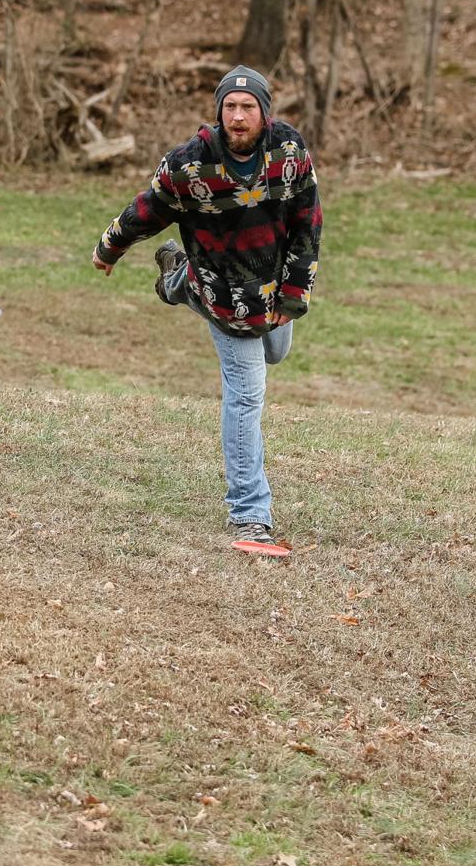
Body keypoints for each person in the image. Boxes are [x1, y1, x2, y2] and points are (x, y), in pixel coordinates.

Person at [91, 64, 322, 548]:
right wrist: (109, 247)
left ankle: (179, 279)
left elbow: (307, 218)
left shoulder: (290, 152)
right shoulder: (188, 166)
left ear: (264, 113)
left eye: (248, 107)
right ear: (219, 113)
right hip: (225, 295)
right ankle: (249, 514)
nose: (238, 117)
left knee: (276, 352)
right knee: (246, 395)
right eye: (230, 107)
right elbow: (147, 209)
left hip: (271, 287)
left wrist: (295, 293)